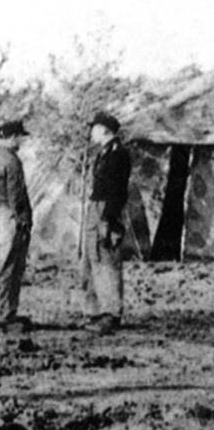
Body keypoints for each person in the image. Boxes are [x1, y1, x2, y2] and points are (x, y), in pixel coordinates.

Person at [0, 119, 33, 327]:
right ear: (11, 138)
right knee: (9, 266)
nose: (21, 141)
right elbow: (16, 195)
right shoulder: (12, 161)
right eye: (20, 137)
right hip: (7, 216)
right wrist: (23, 220)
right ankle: (3, 312)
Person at [81, 111, 132, 334]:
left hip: (106, 210)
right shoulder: (104, 153)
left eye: (94, 128)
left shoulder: (118, 153)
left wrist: (109, 219)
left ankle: (111, 313)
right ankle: (96, 311)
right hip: (97, 207)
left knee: (107, 261)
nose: (91, 132)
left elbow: (118, 190)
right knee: (93, 259)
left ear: (105, 130)